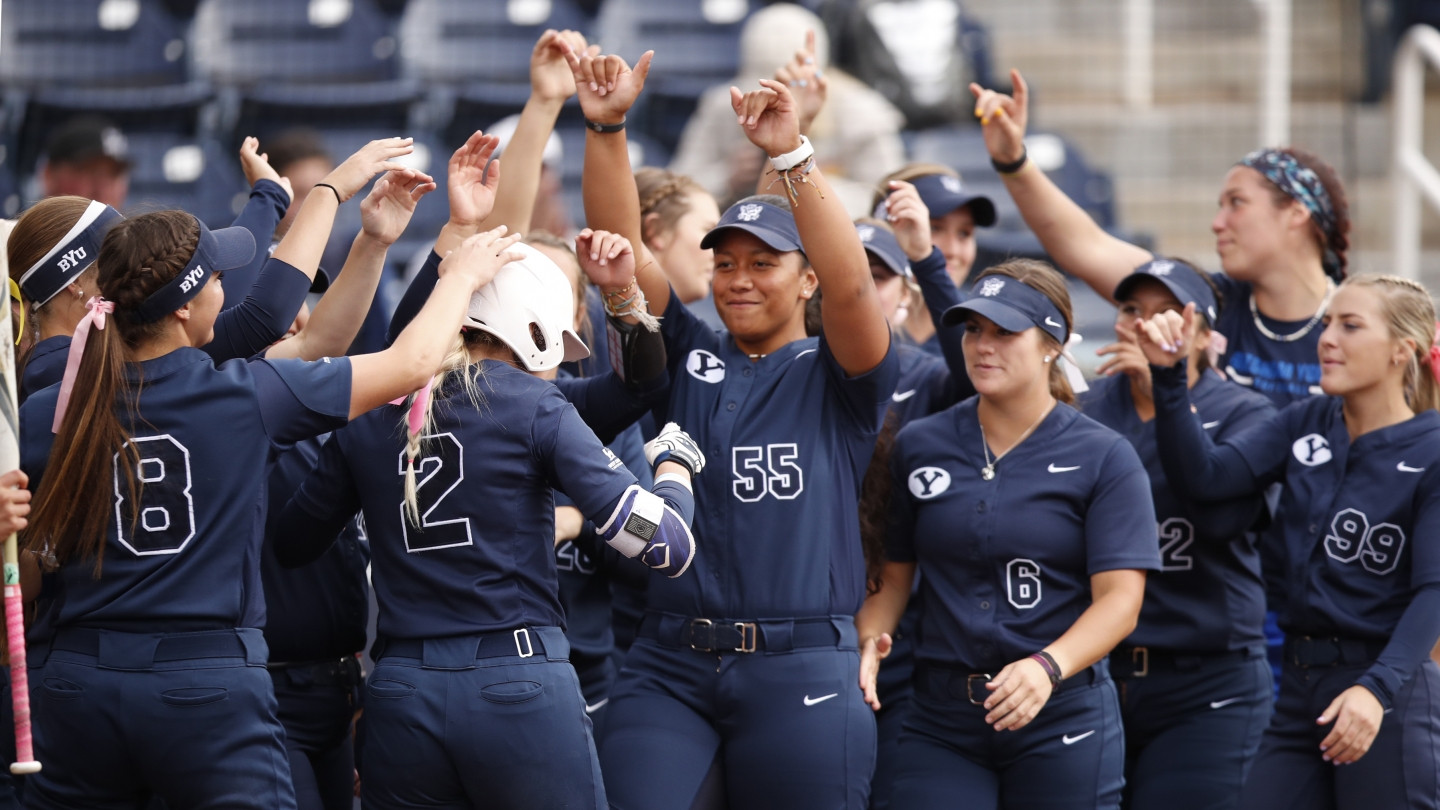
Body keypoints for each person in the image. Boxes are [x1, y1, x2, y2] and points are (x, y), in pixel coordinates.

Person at [15, 130, 517, 807]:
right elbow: (411, 365)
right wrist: (459, 274)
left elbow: (317, 340)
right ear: (185, 306)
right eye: (218, 277)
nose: (228, 286)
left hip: (79, 687)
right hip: (202, 686)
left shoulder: (50, 406)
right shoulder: (240, 394)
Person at [568, 41, 897, 808]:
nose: (738, 279)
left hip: (801, 662)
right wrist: (607, 131)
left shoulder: (838, 370)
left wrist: (794, 156)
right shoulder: (686, 353)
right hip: (668, 660)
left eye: (762, 262)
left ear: (804, 276)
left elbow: (853, 286)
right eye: (724, 262)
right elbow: (623, 252)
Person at [274, 229, 702, 810]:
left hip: (401, 690)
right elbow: (666, 547)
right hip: (515, 682)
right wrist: (674, 470)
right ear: (533, 327)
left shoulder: (375, 405)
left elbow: (294, 541)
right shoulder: (534, 404)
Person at [857, 259, 1160, 809]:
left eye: (1004, 331)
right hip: (941, 716)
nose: (982, 345)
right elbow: (894, 576)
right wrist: (870, 639)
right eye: (973, 329)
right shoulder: (921, 443)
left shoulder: (1104, 455)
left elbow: (1121, 602)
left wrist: (1047, 666)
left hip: (1060, 710)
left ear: (1053, 343)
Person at [1136, 274, 1440, 810]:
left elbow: (1435, 591)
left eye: (1350, 326)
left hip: (1384, 688)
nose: (1327, 339)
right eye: (1326, 324)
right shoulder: (1307, 419)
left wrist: (1378, 689)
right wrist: (1169, 380)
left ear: (1403, 351)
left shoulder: (1433, 449)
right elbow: (1207, 479)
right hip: (1299, 688)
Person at [969, 70, 1349, 406]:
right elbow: (1084, 245)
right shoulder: (1200, 304)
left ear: (1297, 213)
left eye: (1237, 203)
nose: (1218, 222)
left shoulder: (1361, 321)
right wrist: (1013, 161)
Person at [258, 165, 437, 810]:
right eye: (289, 303)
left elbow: (383, 343)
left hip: (339, 685)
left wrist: (377, 244)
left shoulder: (326, 413)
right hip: (265, 694)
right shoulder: (237, 402)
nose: (304, 316)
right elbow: (390, 354)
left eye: (314, 298)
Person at [1078, 258, 1276, 809]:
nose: (1144, 326)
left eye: (1167, 314)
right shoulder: (1082, 413)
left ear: (1206, 336)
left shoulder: (1246, 412)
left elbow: (1219, 516)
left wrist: (1167, 388)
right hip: (1093, 678)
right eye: (1131, 311)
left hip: (1206, 681)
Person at [8, 136, 301, 399]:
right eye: (111, 259)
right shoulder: (72, 362)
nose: (127, 266)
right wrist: (281, 196)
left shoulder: (63, 355)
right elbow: (257, 318)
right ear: (74, 283)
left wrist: (268, 196)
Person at [669, 5, 906, 216]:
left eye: (784, 95)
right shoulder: (725, 105)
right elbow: (674, 194)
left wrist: (809, 179)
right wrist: (726, 176)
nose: (775, 109)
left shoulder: (862, 113)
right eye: (764, 95)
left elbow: (888, 202)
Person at [37, 116, 131, 209]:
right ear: (48, 174)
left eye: (114, 174)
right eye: (90, 171)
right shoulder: (23, 223)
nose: (103, 187)